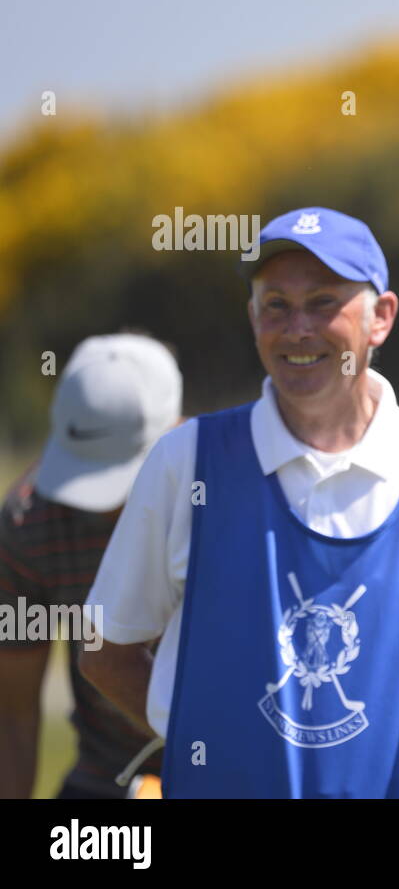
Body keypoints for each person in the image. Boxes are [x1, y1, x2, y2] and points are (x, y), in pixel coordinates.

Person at [82, 207, 399, 798]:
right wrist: (208, 745)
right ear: (253, 317)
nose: (297, 327)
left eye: (324, 301)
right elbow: (105, 650)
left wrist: (392, 762)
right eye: (275, 304)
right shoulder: (186, 464)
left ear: (381, 318)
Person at [0, 334, 182, 799]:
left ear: (178, 430)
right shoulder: (29, 524)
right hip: (108, 780)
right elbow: (13, 716)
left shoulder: (237, 504)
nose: (102, 509)